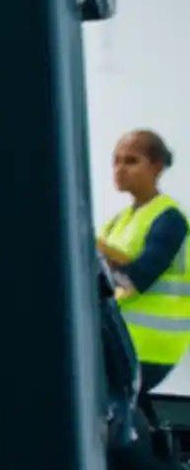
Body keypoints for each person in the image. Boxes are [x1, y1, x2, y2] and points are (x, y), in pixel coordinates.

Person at [97, 129, 190, 416]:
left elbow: (136, 280)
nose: (120, 169)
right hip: (119, 340)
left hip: (148, 347)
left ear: (156, 167)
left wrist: (97, 248)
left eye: (131, 161)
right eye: (116, 161)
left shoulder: (169, 219)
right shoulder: (118, 221)